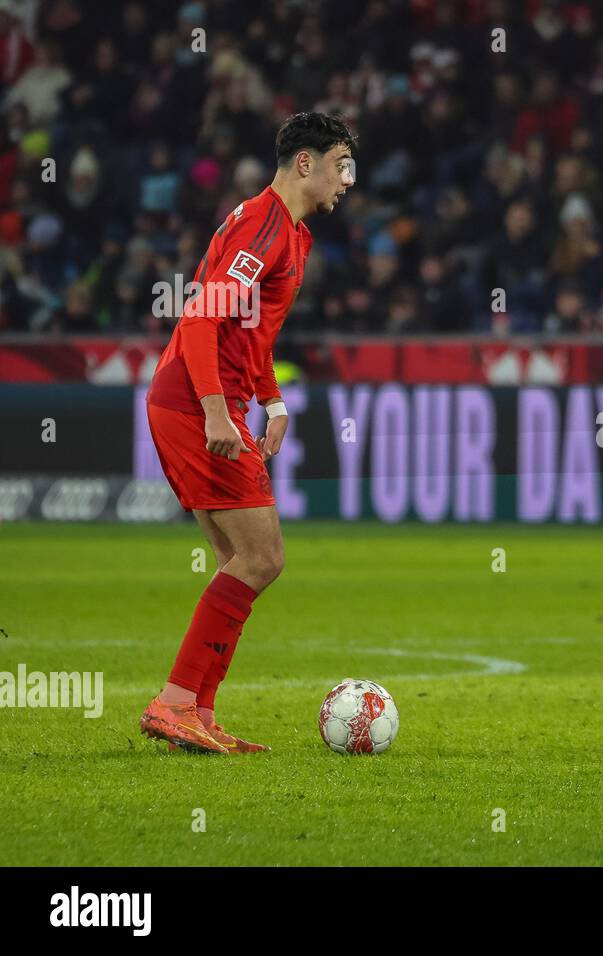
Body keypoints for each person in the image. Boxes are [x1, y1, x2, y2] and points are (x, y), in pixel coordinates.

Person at [141, 112, 356, 754]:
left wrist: (273, 400)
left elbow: (251, 333)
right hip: (195, 403)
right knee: (263, 558)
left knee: (240, 561)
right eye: (341, 164)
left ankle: (198, 713)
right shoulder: (263, 226)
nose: (348, 179)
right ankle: (174, 701)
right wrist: (216, 410)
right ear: (305, 163)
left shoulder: (292, 234)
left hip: (203, 399)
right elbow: (202, 319)